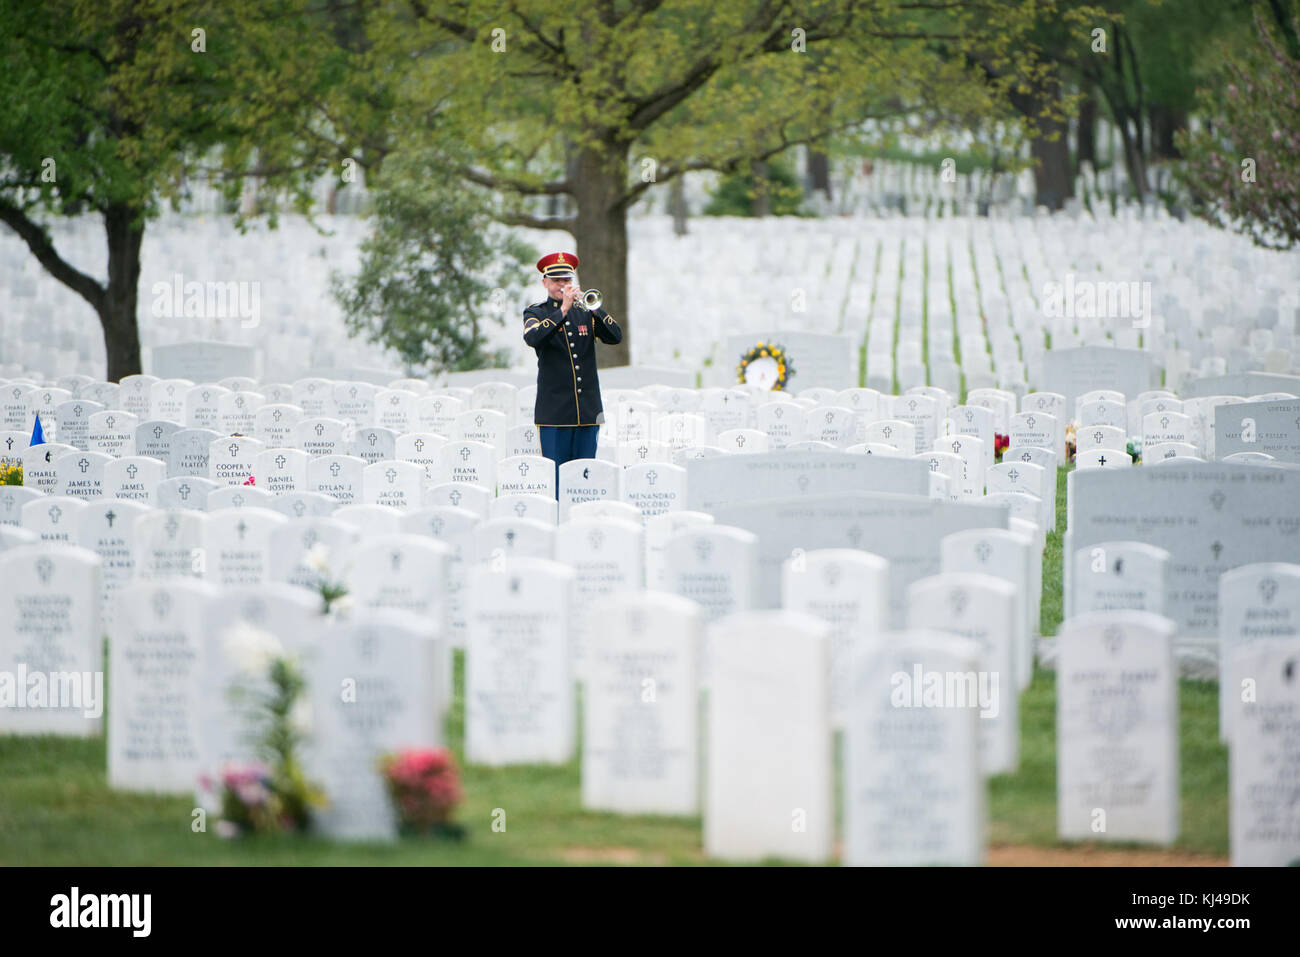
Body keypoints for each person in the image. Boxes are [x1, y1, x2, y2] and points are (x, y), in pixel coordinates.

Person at [522, 252, 622, 497]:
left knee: (585, 482)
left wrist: (596, 310)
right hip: (554, 414)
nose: (563, 286)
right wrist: (562, 311)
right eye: (556, 281)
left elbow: (615, 336)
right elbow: (533, 338)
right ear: (545, 282)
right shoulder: (535, 313)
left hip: (587, 412)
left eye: (567, 280)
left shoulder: (585, 312)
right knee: (556, 482)